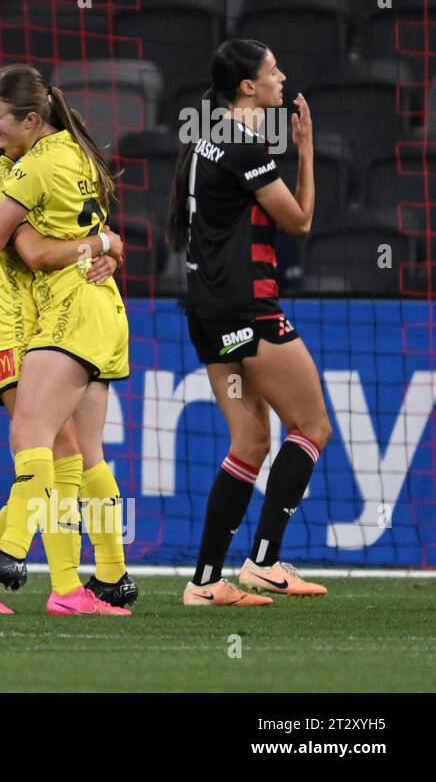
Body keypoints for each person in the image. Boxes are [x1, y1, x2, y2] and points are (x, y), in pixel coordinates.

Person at [0, 66, 136, 612]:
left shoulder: (32, 170)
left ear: (31, 119)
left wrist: (105, 248)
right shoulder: (19, 175)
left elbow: (21, 247)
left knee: (62, 451)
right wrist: (105, 245)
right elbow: (40, 251)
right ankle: (73, 576)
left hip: (54, 321)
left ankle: (10, 561)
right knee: (64, 450)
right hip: (13, 329)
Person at [165, 38, 330, 606]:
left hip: (209, 316)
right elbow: (300, 222)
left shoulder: (206, 140)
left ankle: (206, 582)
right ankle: (264, 562)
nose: (281, 78)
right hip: (250, 311)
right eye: (272, 71)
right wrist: (306, 150)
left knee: (251, 441)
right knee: (311, 429)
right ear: (247, 87)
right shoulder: (242, 141)